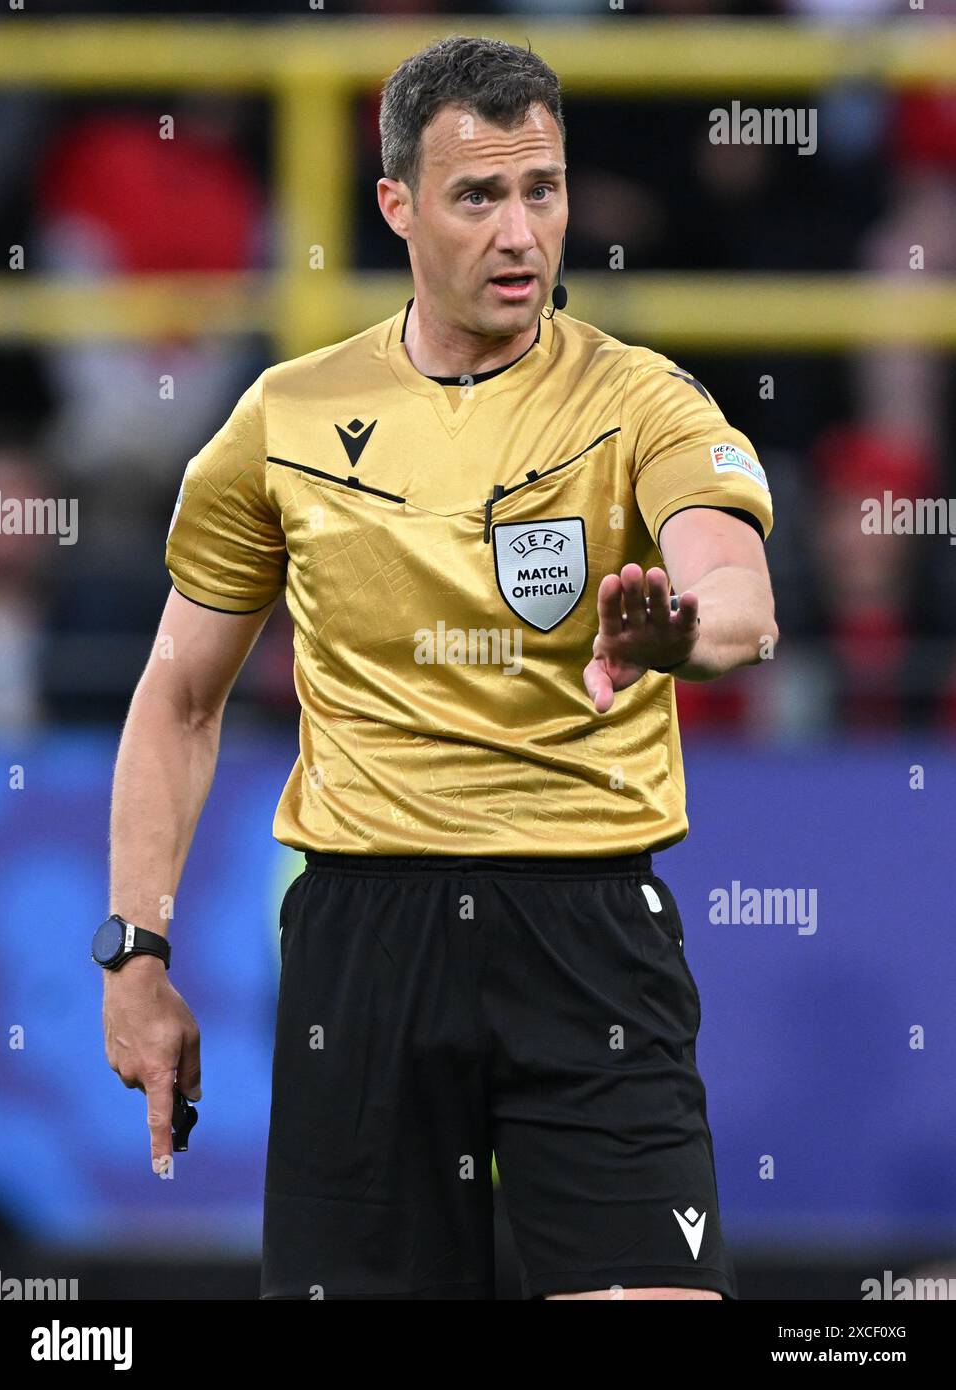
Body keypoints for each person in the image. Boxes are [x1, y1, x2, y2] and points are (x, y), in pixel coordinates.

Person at [98, 36, 778, 1301]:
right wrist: (137, 951)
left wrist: (683, 632)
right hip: (364, 937)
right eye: (478, 196)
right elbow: (178, 696)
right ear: (397, 206)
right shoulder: (286, 417)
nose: (522, 232)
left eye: (545, 190)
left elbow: (739, 593)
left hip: (589, 934)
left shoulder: (644, 402)